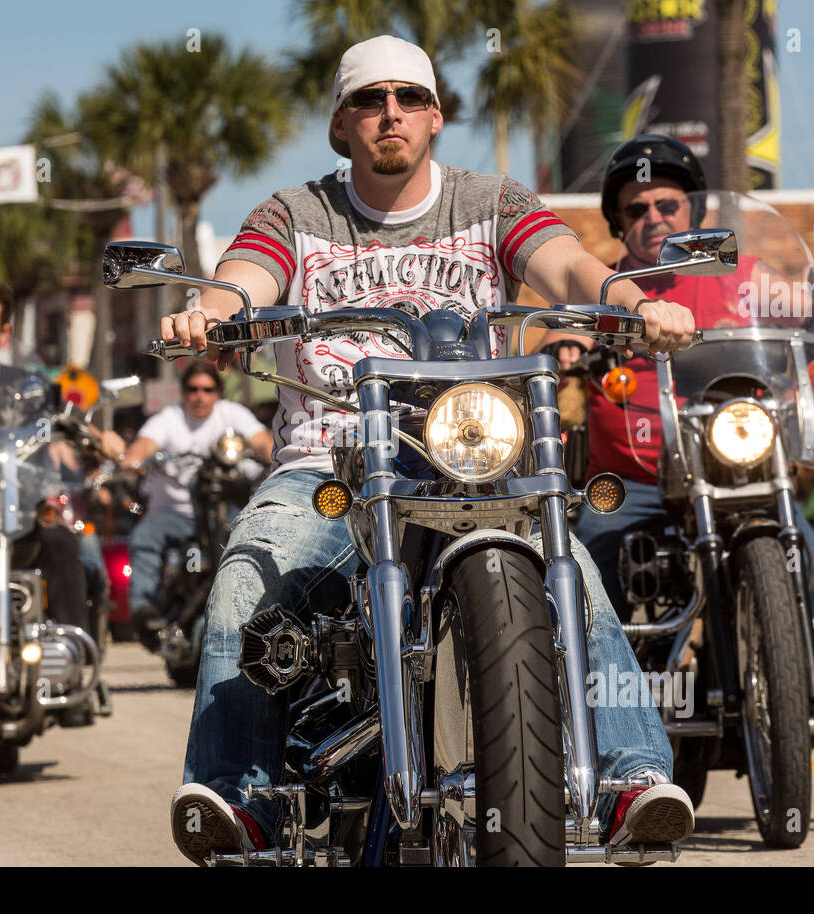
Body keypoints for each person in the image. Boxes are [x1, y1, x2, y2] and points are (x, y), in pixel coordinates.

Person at [160, 36, 702, 865]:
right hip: (331, 465)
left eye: (409, 98)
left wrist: (631, 300)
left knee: (578, 580)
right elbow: (248, 277)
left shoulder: (490, 201)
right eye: (371, 100)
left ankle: (629, 780)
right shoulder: (294, 213)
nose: (391, 114)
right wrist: (213, 307)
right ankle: (243, 799)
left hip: (477, 460)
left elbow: (563, 267)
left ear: (436, 117)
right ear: (342, 122)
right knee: (244, 580)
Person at [543, 133, 814, 816]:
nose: (653, 218)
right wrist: (567, 340)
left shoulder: (737, 273)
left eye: (666, 203)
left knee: (812, 570)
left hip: (736, 464)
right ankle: (580, 742)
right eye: (635, 210)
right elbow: (559, 330)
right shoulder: (609, 287)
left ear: (693, 209)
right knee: (583, 579)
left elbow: (801, 303)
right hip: (635, 478)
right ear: (617, 224)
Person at [121, 360, 273, 640]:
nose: (200, 396)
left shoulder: (232, 414)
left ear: (218, 392)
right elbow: (145, 444)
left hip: (224, 510)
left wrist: (276, 458)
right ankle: (144, 609)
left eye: (207, 389)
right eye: (192, 389)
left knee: (252, 541)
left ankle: (255, 612)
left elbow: (263, 441)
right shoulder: (169, 419)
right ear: (183, 391)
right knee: (145, 536)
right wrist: (134, 458)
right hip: (175, 511)